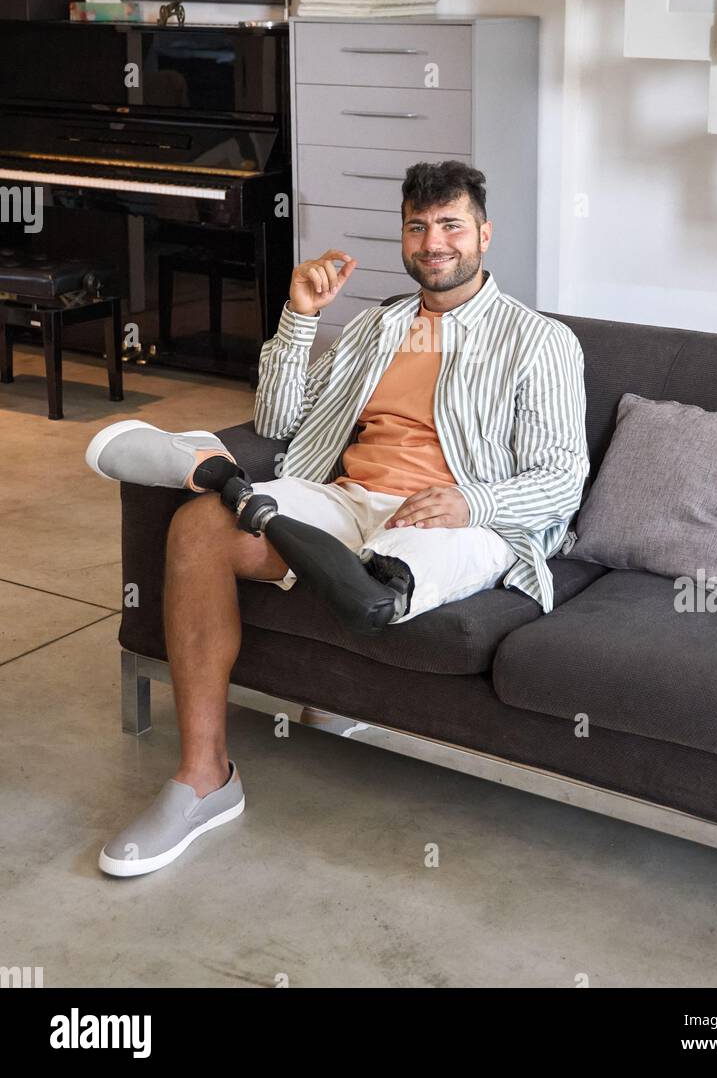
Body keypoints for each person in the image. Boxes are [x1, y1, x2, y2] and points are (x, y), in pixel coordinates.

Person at [86, 159, 589, 876]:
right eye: (418, 226)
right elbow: (277, 420)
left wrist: (473, 501)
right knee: (198, 526)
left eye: (451, 225)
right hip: (343, 500)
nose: (434, 242)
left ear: (484, 234)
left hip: (459, 521)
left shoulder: (538, 341)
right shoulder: (378, 328)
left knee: (391, 574)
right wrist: (300, 316)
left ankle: (354, 579)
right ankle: (205, 778)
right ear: (404, 237)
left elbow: (563, 477)